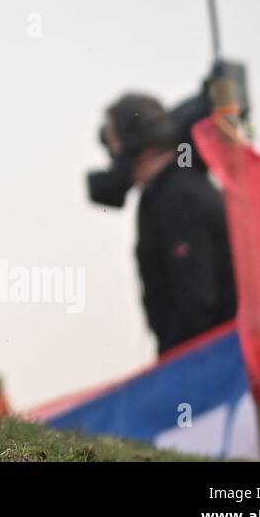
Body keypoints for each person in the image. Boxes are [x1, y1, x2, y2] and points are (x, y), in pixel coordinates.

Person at [97, 93, 238, 356]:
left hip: (211, 364)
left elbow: (196, 306)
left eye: (114, 143)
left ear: (136, 143)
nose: (112, 156)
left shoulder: (177, 198)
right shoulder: (169, 191)